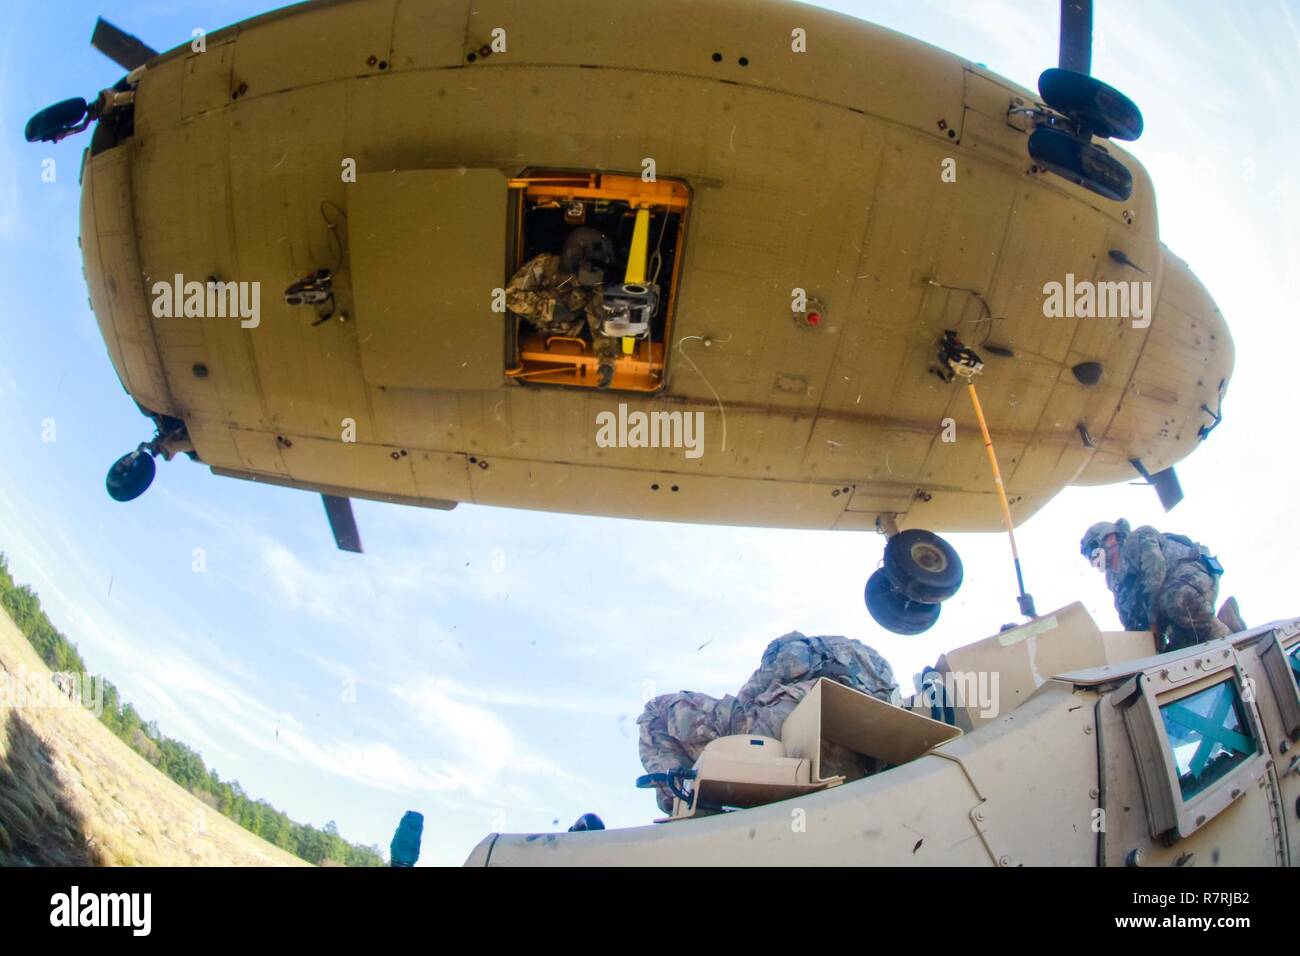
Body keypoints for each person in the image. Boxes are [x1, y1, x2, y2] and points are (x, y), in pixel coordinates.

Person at [636, 632, 900, 813]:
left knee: (655, 711)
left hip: (795, 723)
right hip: (868, 743)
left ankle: (682, 799)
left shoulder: (794, 650)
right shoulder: (873, 665)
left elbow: (789, 664)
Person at [1079, 519, 1243, 652]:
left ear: (1111, 538)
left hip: (1191, 579)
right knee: (1176, 653)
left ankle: (1228, 636)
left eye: (1093, 548)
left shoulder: (1138, 538)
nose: (1092, 557)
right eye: (1088, 555)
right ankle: (1221, 622)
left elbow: (1156, 575)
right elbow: (1128, 618)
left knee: (1176, 599)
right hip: (1167, 612)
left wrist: (1154, 625)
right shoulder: (1114, 580)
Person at [505, 227, 620, 388]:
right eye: (592, 266)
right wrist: (547, 309)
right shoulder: (545, 265)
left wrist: (607, 361)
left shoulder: (594, 287)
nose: (595, 272)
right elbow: (510, 296)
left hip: (571, 343)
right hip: (531, 335)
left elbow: (600, 324)